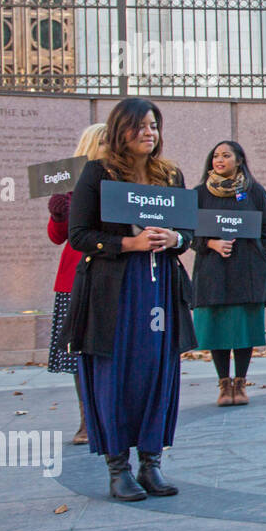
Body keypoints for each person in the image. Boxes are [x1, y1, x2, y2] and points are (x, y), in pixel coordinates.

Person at [63, 99, 197, 501]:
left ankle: (151, 463)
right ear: (119, 130)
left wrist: (176, 239)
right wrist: (128, 242)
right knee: (116, 375)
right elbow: (79, 234)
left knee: (157, 372)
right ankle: (118, 468)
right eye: (139, 126)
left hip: (160, 289)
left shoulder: (170, 175)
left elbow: (188, 232)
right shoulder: (98, 174)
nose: (148, 133)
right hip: (113, 290)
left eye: (153, 126)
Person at [190, 141, 266, 407]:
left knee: (243, 327)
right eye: (215, 155)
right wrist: (210, 243)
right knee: (217, 328)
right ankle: (223, 383)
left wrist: (264, 251)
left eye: (226, 155)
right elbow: (187, 232)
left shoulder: (254, 191)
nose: (219, 160)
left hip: (247, 270)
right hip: (213, 271)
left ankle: (240, 382)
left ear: (238, 160)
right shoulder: (198, 194)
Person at [46, 123, 107, 445]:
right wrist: (59, 216)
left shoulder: (120, 178)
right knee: (77, 355)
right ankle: (87, 420)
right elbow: (58, 237)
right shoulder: (69, 181)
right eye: (104, 142)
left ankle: (107, 415)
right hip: (74, 279)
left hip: (111, 274)